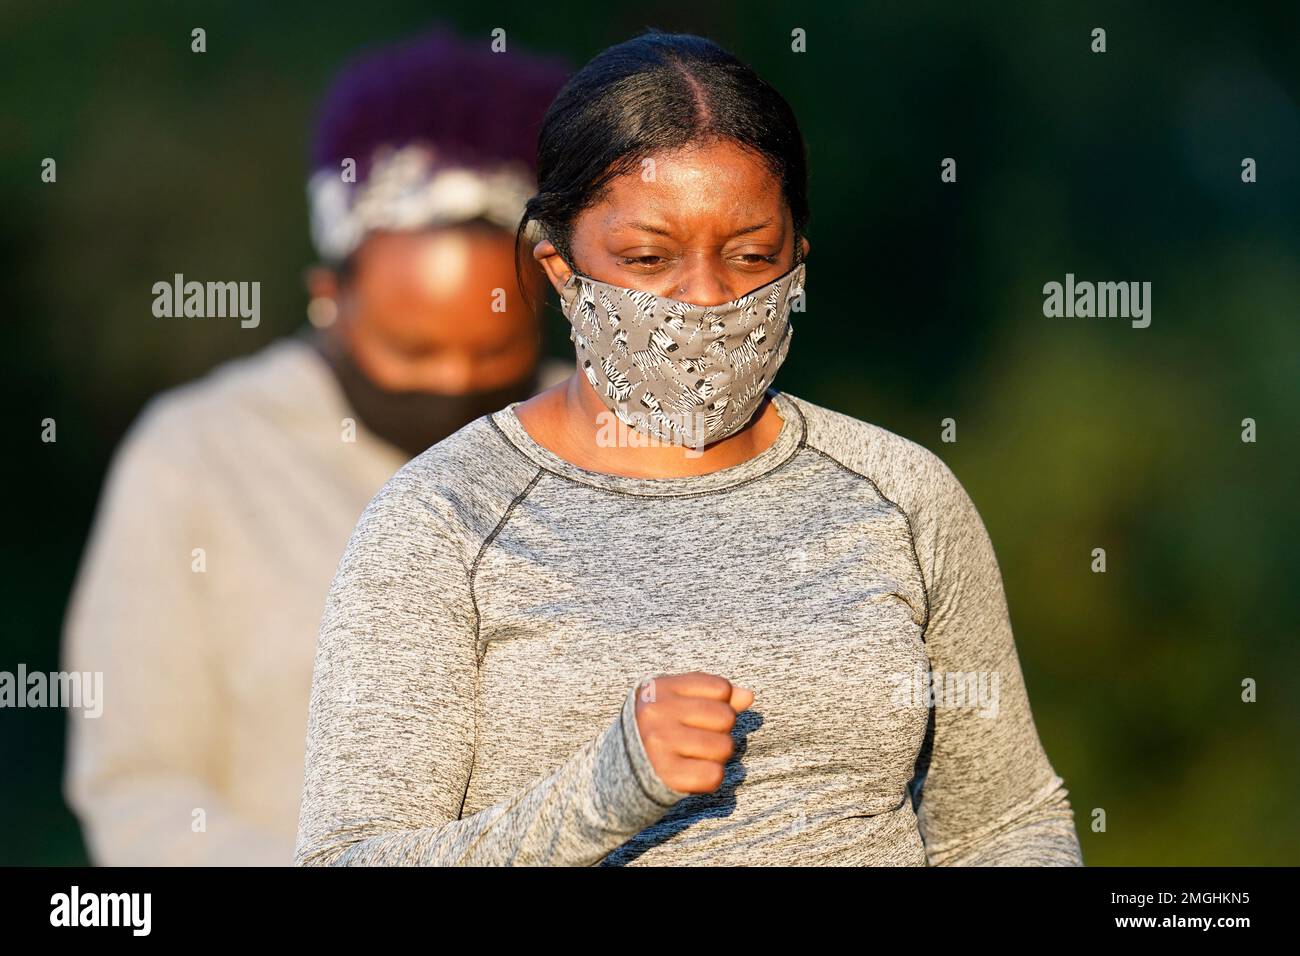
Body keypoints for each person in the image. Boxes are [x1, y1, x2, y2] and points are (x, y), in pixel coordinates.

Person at [294, 29, 1085, 866]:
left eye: (751, 256)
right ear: (559, 268)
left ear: (799, 262)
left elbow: (1005, 824)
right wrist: (603, 795)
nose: (706, 298)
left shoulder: (902, 494)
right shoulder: (443, 519)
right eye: (648, 257)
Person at [60, 27, 572, 866]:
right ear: (331, 296)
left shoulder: (603, 440)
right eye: (411, 350)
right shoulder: (198, 456)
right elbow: (138, 786)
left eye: (491, 354)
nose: (451, 383)